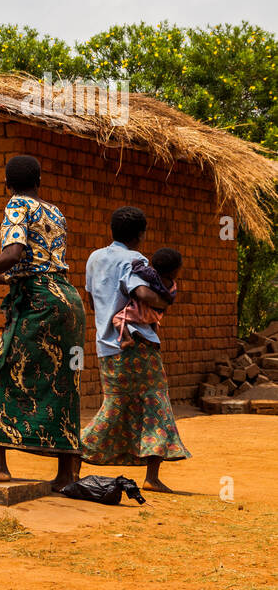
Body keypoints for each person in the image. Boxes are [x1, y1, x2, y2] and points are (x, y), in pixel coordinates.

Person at [0, 155, 86, 491]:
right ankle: (67, 473)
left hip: (39, 304)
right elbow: (36, 267)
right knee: (63, 380)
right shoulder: (55, 212)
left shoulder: (17, 205)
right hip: (68, 302)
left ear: (7, 183)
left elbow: (14, 253)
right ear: (40, 180)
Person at [80, 208, 190, 492]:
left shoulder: (94, 258)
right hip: (138, 346)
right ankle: (151, 478)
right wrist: (165, 302)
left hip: (106, 345)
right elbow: (141, 292)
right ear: (141, 235)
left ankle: (73, 458)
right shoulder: (135, 259)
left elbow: (91, 300)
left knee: (116, 404)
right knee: (155, 404)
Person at [112, 247, 181, 348]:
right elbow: (169, 301)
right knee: (154, 322)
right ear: (175, 271)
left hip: (142, 311)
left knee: (116, 319)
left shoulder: (154, 276)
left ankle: (127, 339)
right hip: (156, 315)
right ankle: (152, 337)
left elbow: (140, 270)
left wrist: (137, 263)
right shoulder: (172, 286)